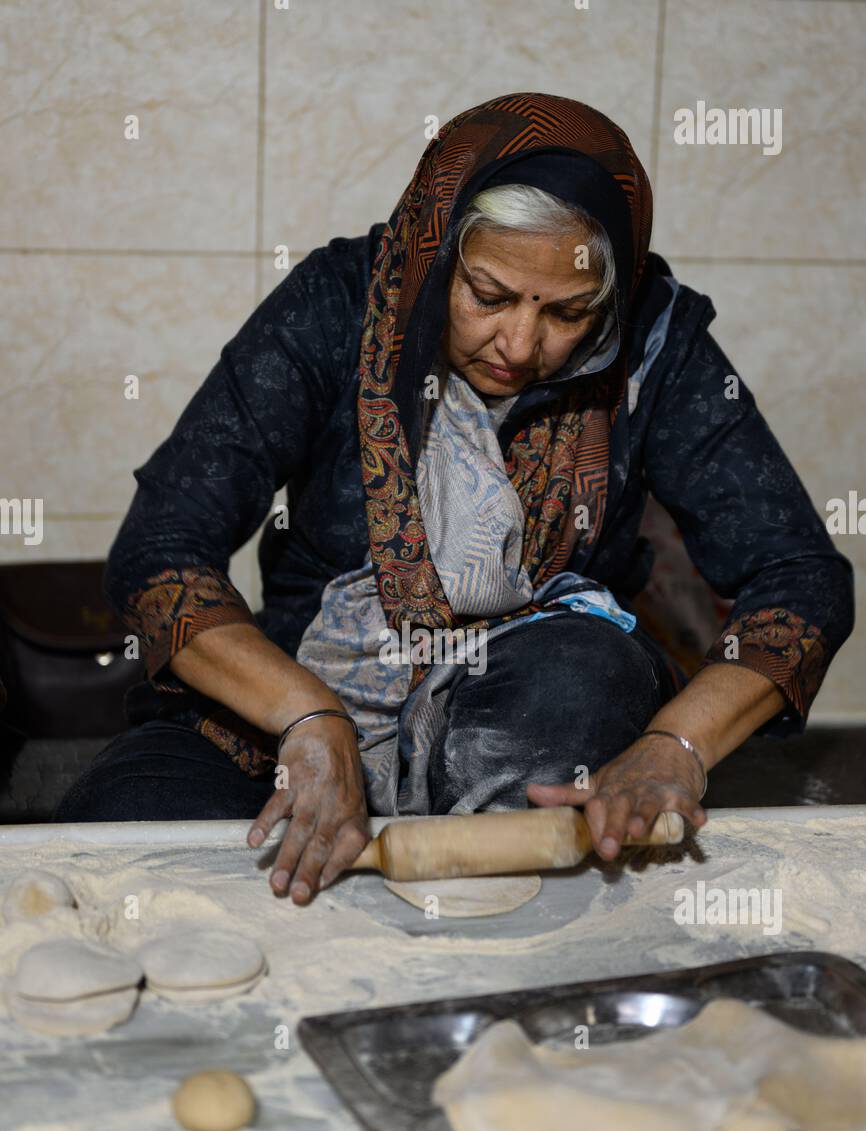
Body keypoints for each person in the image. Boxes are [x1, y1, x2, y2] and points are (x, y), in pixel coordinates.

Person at [55, 93, 854, 907]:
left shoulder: (656, 342)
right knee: (130, 845)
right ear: (439, 254)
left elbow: (800, 579)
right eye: (488, 294)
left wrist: (678, 742)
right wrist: (306, 717)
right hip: (294, 707)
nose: (518, 345)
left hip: (532, 713)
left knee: (572, 692)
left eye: (568, 313)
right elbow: (161, 553)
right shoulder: (340, 303)